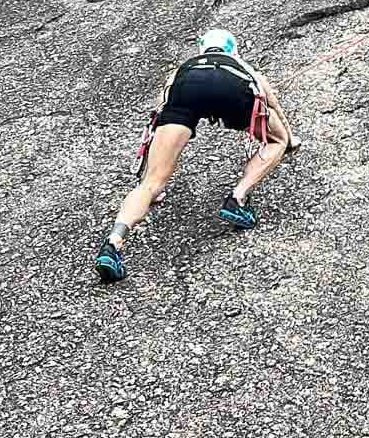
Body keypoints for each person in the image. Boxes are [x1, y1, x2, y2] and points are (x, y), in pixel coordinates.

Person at [94, 28, 298, 283]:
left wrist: (150, 173)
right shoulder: (241, 64)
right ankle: (238, 197)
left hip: (185, 90)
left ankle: (112, 243)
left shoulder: (185, 66)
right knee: (276, 141)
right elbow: (272, 104)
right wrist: (288, 139)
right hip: (233, 86)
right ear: (232, 49)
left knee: (151, 183)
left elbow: (158, 113)